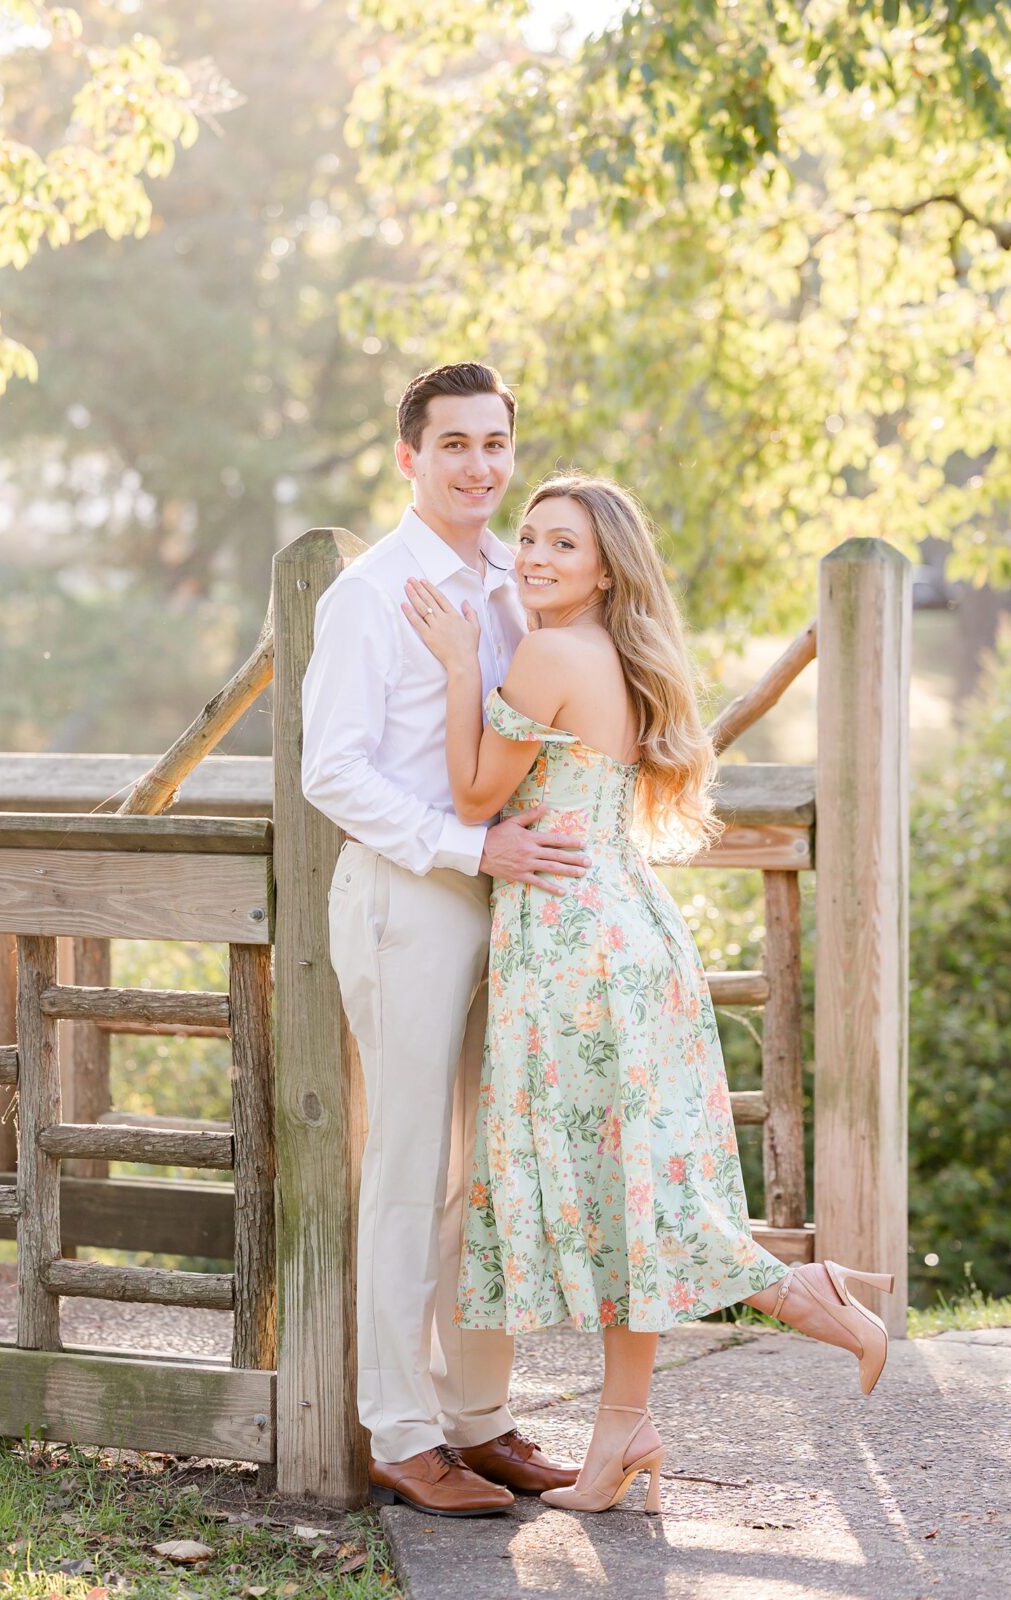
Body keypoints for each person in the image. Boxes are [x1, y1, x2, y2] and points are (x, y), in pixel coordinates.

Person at [402, 473, 895, 1516]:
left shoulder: (544, 652)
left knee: (637, 1193)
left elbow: (474, 797)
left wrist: (457, 665)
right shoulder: (622, 655)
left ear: (603, 567)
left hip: (576, 954)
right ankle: (621, 1429)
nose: (532, 558)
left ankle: (806, 1295)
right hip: (630, 937)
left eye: (559, 547)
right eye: (527, 539)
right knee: (634, 1189)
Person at [301, 363, 583, 1516]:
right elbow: (332, 772)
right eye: (453, 443)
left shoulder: (514, 585)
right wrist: (470, 851)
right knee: (410, 1166)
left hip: (501, 898)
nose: (477, 464)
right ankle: (401, 1432)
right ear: (409, 456)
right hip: (407, 898)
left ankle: (478, 1417)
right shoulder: (372, 593)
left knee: (488, 1167)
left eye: (495, 443)